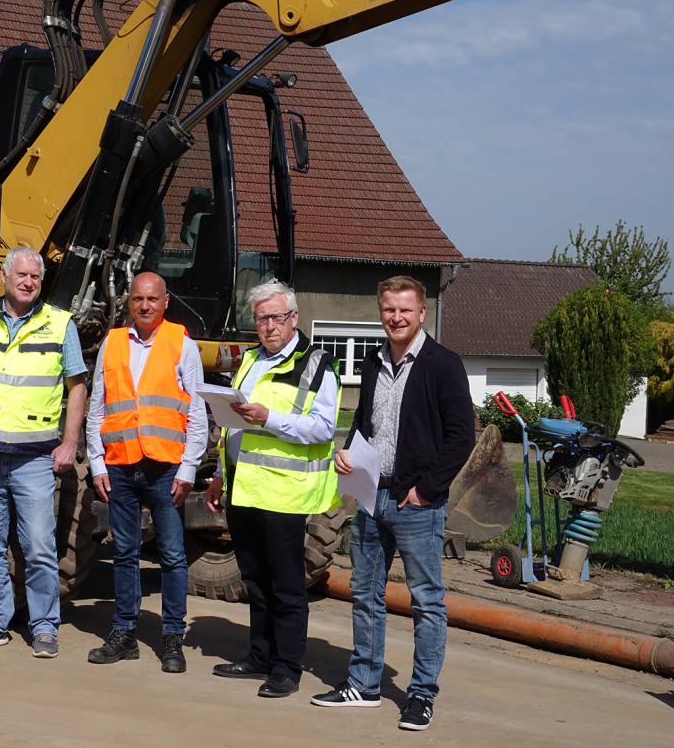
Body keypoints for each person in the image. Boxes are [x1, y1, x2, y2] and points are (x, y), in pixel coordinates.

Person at [311, 276, 474, 732]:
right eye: (388, 310)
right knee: (365, 594)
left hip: (416, 503)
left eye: (405, 310)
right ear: (380, 312)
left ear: (422, 313)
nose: (396, 318)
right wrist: (347, 450)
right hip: (370, 495)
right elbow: (365, 422)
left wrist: (426, 490)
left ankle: (421, 695)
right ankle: (363, 684)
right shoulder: (372, 360)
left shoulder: (443, 365)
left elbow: (462, 437)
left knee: (426, 601)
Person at [0, 246, 87, 658]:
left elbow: (78, 386)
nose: (28, 282)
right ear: (4, 278)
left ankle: (44, 627)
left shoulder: (60, 324)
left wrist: (70, 442)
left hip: (34, 460)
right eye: (21, 275)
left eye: (35, 277)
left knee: (40, 547)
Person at [206, 281, 341, 698]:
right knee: (256, 581)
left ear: (294, 318)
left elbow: (323, 427)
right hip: (243, 490)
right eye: (261, 318)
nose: (268, 326)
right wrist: (218, 474)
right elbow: (233, 426)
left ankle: (286, 668)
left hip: (286, 493)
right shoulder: (249, 360)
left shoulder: (317, 364)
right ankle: (260, 656)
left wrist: (271, 418)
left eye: (276, 317)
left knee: (286, 585)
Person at [85, 272, 206, 672]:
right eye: (138, 299)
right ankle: (124, 633)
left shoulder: (182, 344)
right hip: (119, 465)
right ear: (129, 301)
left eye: (152, 299)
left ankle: (172, 639)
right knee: (123, 552)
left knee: (172, 556)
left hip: (165, 469)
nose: (145, 306)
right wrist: (98, 463)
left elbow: (197, 413)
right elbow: (97, 406)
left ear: (165, 301)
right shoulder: (112, 343)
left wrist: (188, 468)